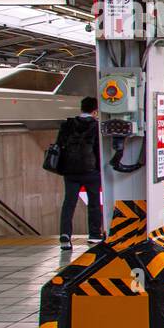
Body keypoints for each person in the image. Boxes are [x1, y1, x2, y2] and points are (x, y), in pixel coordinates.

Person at [55, 95, 104, 250]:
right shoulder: (96, 126)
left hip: (70, 171)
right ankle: (95, 235)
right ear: (95, 111)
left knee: (69, 203)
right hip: (91, 171)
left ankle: (65, 235)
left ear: (81, 108)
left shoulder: (67, 125)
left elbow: (59, 145)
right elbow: (98, 150)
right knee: (94, 203)